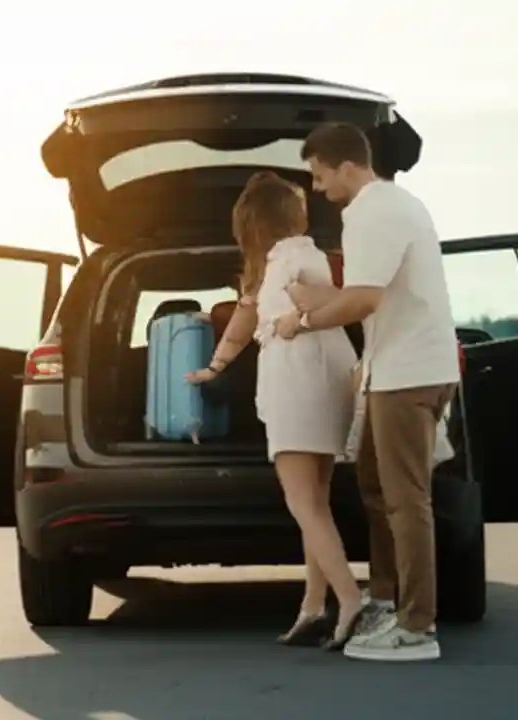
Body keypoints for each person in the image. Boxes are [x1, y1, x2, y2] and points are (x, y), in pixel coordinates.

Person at [276, 121, 460, 662]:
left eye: (318, 174)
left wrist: (302, 320)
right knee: (377, 487)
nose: (315, 188)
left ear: (347, 167)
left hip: (408, 374)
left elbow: (363, 302)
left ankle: (417, 628)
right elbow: (369, 294)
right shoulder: (396, 206)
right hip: (397, 368)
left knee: (406, 500)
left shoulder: (371, 213)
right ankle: (385, 600)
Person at [187, 170, 364, 649]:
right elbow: (246, 316)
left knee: (301, 501)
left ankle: (350, 600)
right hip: (334, 369)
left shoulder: (284, 264)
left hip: (298, 375)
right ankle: (313, 606)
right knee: (317, 500)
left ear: (251, 224)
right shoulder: (304, 256)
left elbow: (274, 311)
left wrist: (291, 322)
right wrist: (218, 363)